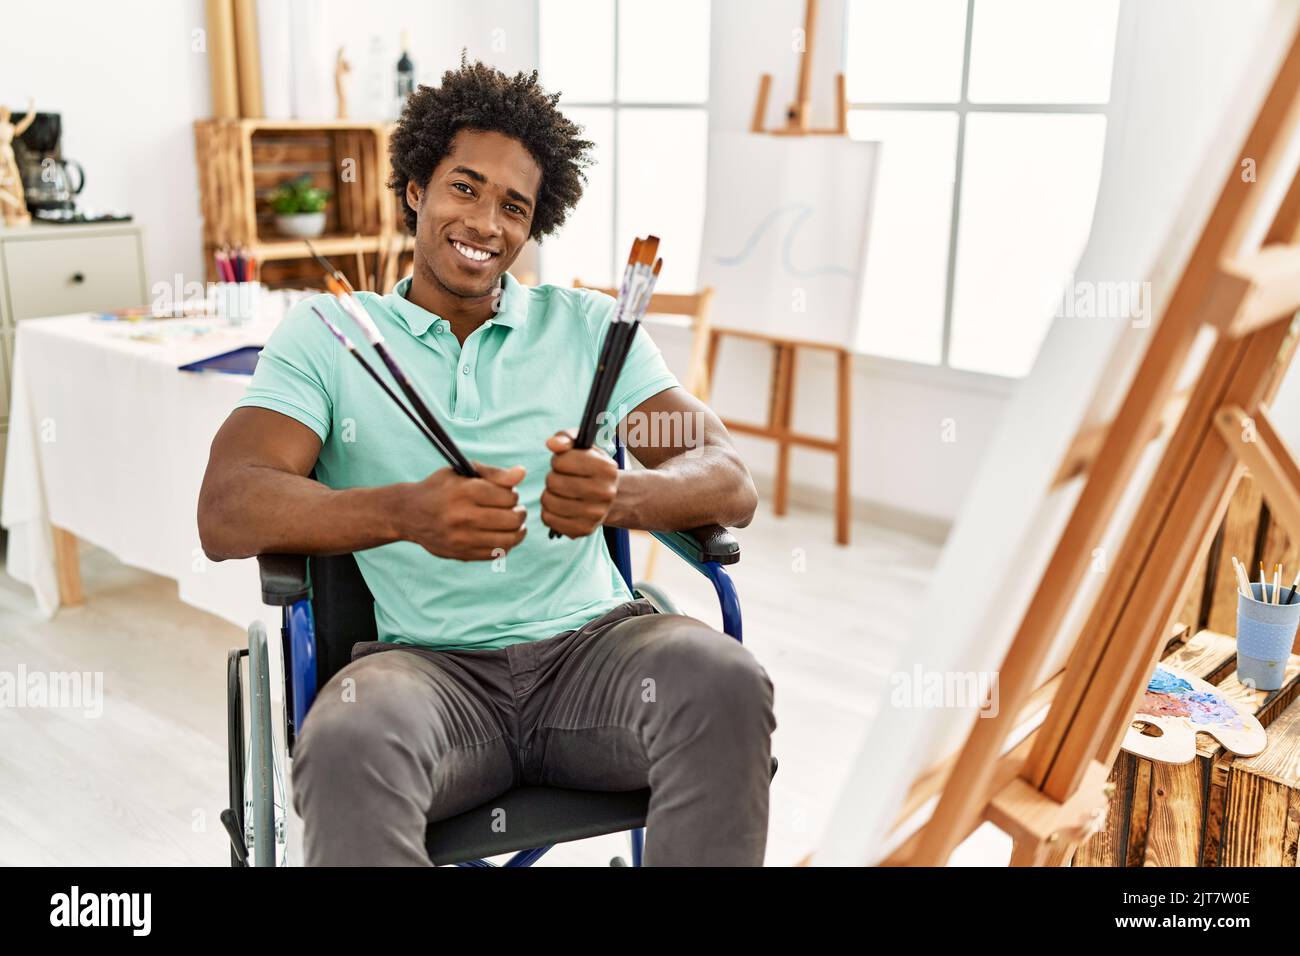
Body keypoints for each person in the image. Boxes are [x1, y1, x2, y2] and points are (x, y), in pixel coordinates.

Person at [197, 57, 774, 866]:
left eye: (514, 206)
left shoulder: (588, 327)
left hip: (595, 660)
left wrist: (626, 497)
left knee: (725, 682)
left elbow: (729, 478)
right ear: (414, 190)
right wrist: (403, 513)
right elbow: (227, 508)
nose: (486, 223)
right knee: (346, 739)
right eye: (464, 188)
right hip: (428, 676)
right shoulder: (329, 335)